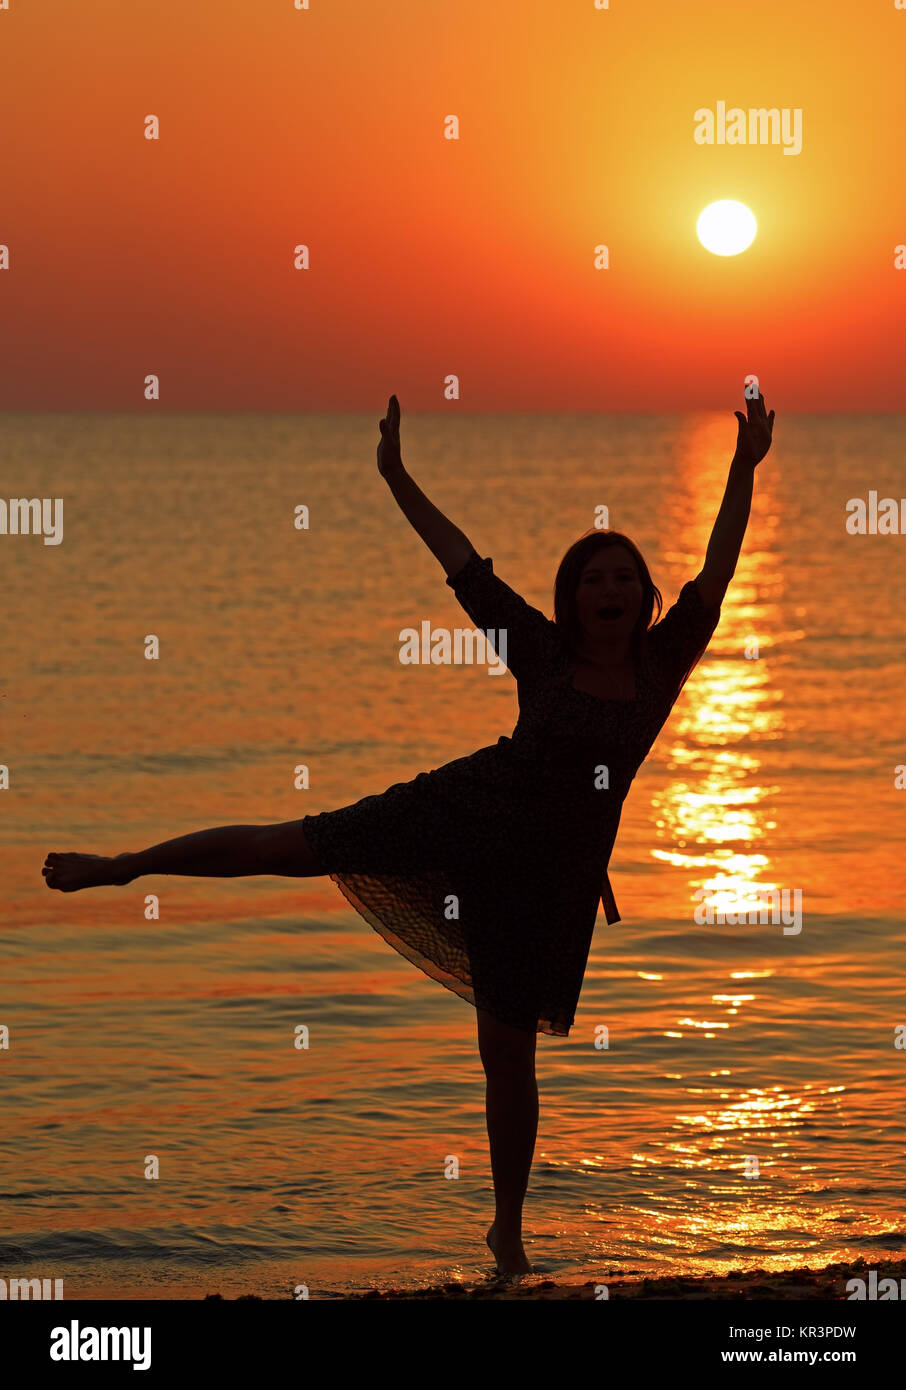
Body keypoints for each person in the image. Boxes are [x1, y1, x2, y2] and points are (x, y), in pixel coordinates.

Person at [43, 388, 775, 1276]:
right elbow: (461, 561)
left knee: (508, 1061)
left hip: (545, 886)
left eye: (624, 575)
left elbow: (722, 564)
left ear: (645, 594)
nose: (611, 587)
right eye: (593, 577)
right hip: (457, 812)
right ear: (572, 599)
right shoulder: (540, 649)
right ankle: (125, 867)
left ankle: (509, 1232)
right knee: (288, 848)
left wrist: (741, 470)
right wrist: (397, 474)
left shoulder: (665, 663)